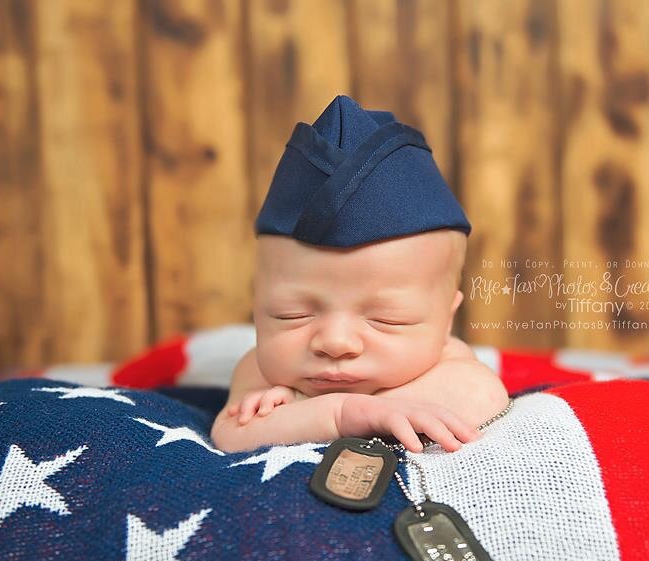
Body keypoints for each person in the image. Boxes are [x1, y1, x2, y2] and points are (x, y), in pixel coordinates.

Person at [211, 95, 510, 453]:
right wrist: (339, 415)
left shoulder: (449, 365)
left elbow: (484, 398)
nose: (336, 342)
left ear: (447, 320)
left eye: (388, 319)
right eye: (292, 314)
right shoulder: (259, 371)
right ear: (258, 307)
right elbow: (231, 433)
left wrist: (309, 413)